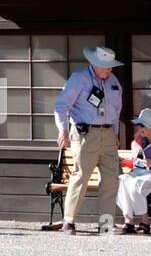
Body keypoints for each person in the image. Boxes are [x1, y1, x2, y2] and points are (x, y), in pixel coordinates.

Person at [53, 45, 124, 234]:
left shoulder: (113, 80)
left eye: (111, 66)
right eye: (107, 66)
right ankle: (69, 220)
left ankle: (106, 224)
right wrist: (63, 130)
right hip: (85, 134)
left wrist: (116, 133)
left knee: (110, 179)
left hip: (108, 133)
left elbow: (116, 111)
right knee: (81, 176)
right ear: (96, 64)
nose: (110, 69)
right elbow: (61, 105)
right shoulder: (79, 79)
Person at [115, 108, 151, 235]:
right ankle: (129, 221)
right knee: (121, 180)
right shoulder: (137, 142)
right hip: (137, 173)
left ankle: (144, 221)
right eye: (139, 125)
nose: (140, 128)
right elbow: (135, 161)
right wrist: (123, 161)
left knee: (135, 183)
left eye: (142, 125)